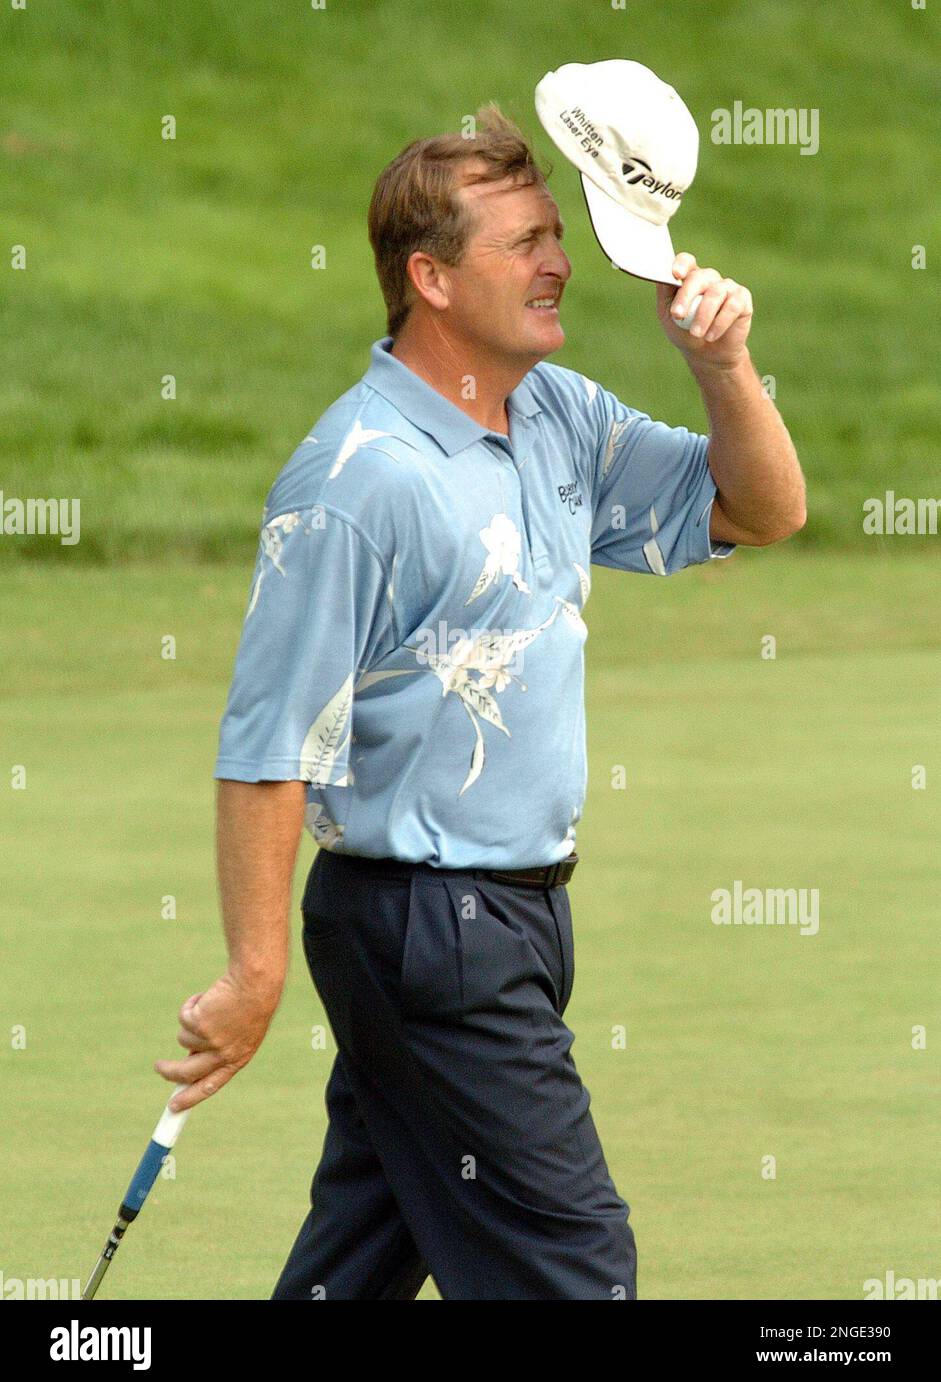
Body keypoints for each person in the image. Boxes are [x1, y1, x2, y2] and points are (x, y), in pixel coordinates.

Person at [155, 104, 805, 1299]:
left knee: (364, 1249)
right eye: (524, 242)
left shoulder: (553, 414)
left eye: (556, 232)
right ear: (430, 279)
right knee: (573, 1267)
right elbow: (266, 745)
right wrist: (252, 977)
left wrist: (719, 364)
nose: (560, 261)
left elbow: (759, 509)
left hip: (509, 918)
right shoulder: (356, 484)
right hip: (428, 930)